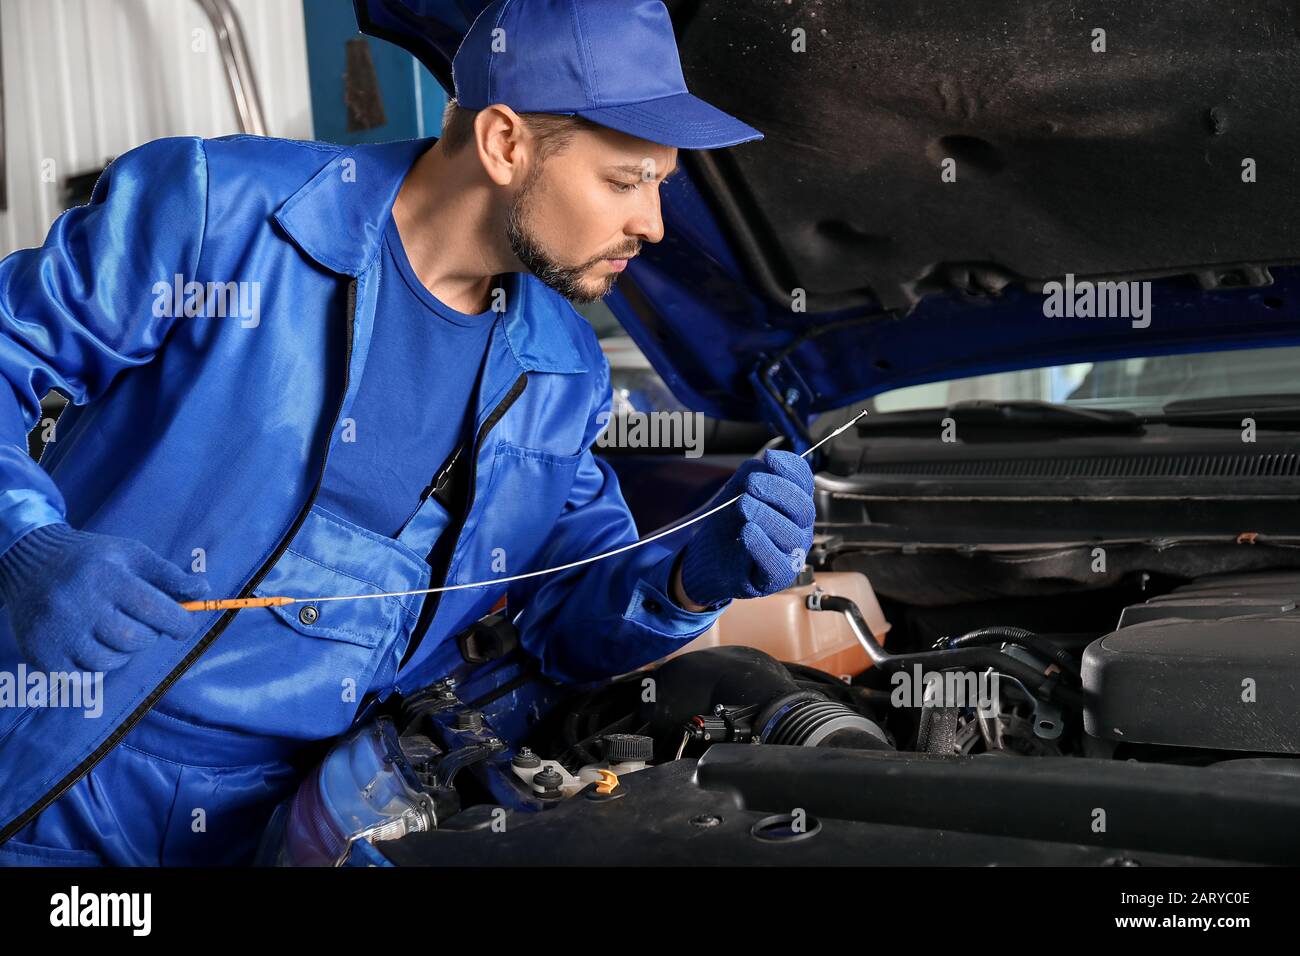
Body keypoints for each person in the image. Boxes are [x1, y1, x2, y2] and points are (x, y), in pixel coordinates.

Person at [0, 0, 816, 866]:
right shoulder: (218, 214)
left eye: (660, 183)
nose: (652, 222)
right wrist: (28, 543)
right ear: (504, 143)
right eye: (626, 181)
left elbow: (566, 617)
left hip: (297, 820)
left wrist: (688, 576)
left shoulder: (563, 370)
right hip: (54, 754)